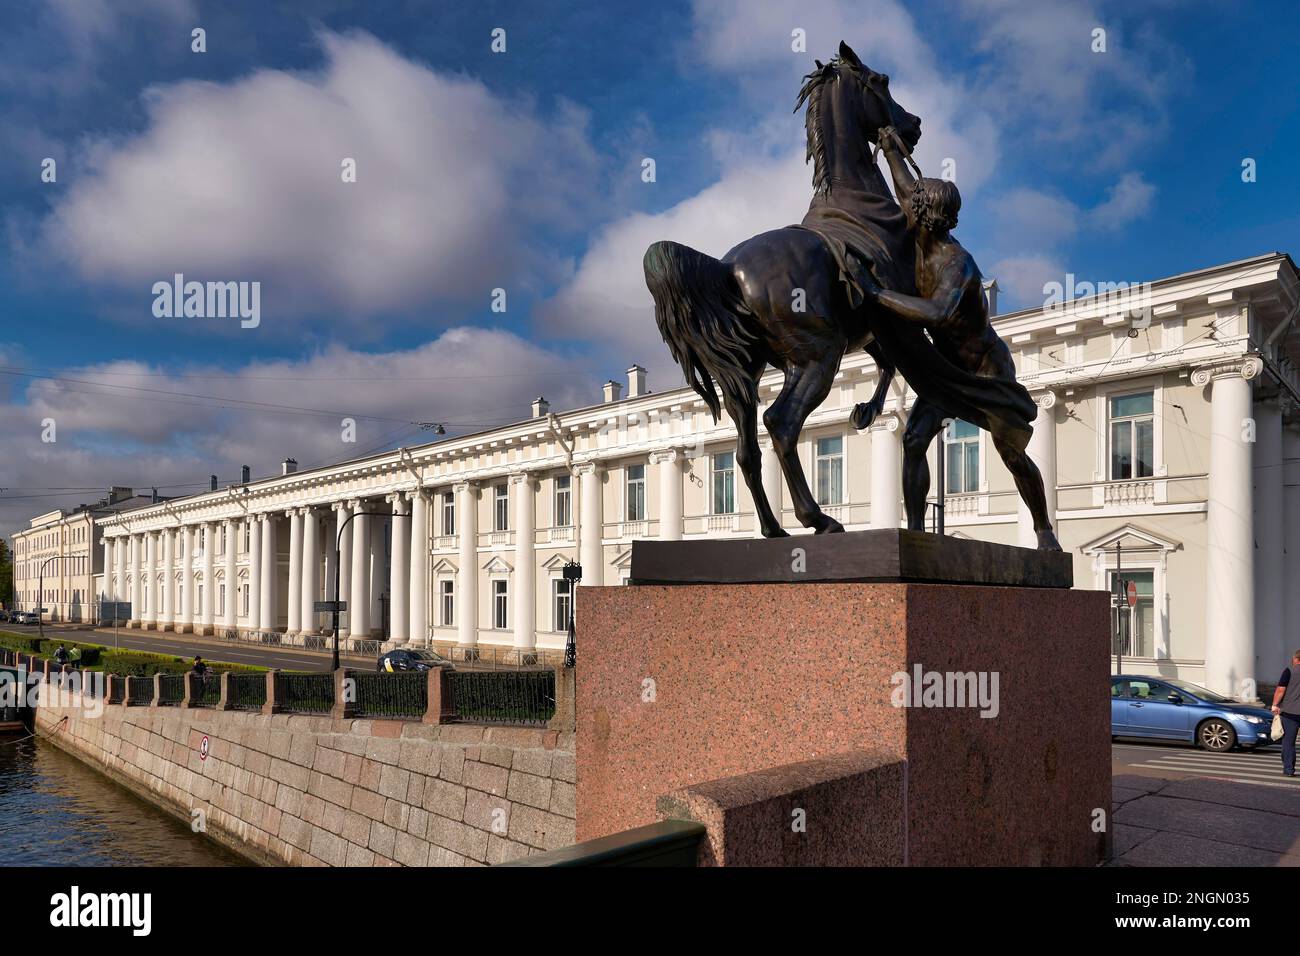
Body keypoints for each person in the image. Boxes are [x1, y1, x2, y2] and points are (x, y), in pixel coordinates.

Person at [855, 126, 1060, 551]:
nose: (903, 206)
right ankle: (915, 534)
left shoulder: (957, 264)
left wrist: (876, 294)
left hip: (986, 371)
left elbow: (935, 312)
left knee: (1012, 455)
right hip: (947, 368)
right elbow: (905, 183)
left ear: (924, 215)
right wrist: (889, 144)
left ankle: (1044, 532)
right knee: (914, 439)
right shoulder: (920, 234)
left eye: (911, 205)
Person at [1270, 650, 1300, 777]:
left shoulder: (1289, 671)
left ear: (1295, 659)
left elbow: (1281, 689)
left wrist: (1275, 705)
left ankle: (1289, 769)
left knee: (1288, 743)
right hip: (1291, 711)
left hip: (1290, 712)